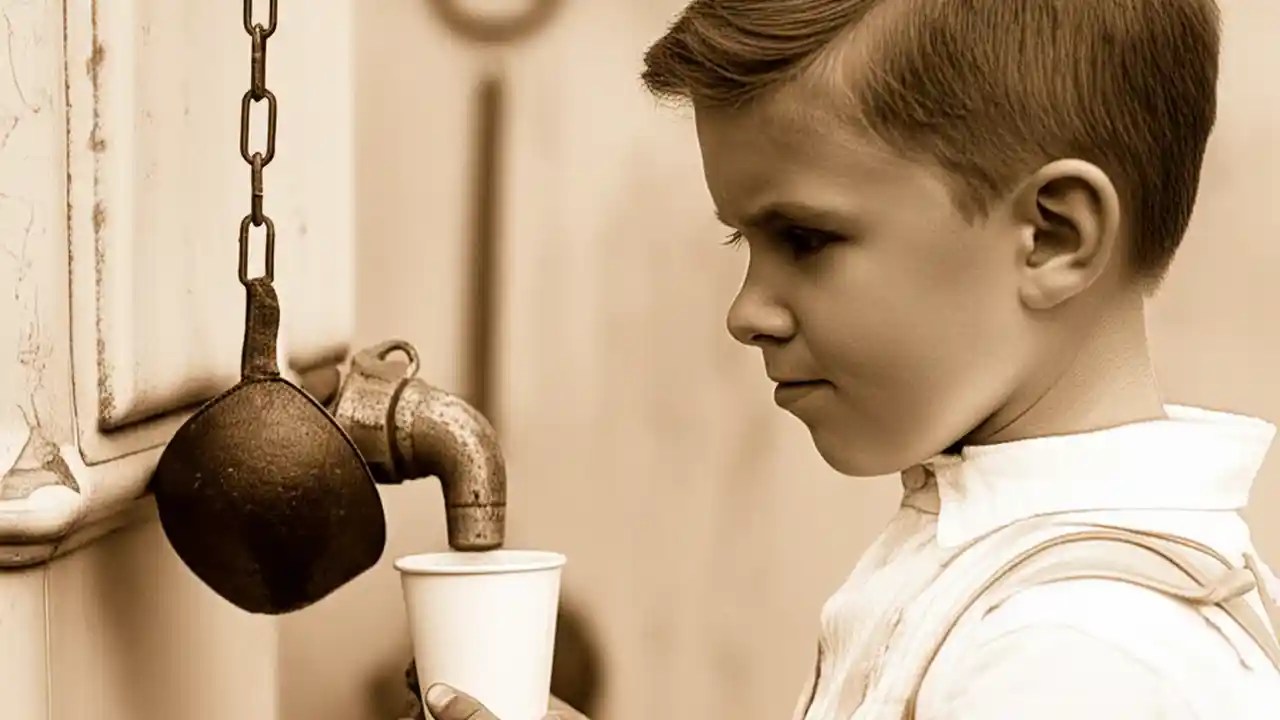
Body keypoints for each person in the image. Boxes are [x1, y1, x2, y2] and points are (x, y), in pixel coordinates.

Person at [425, 0, 1280, 718]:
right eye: (745, 242)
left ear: (1054, 235)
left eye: (805, 238)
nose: (746, 313)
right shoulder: (1006, 575)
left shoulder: (1080, 657)